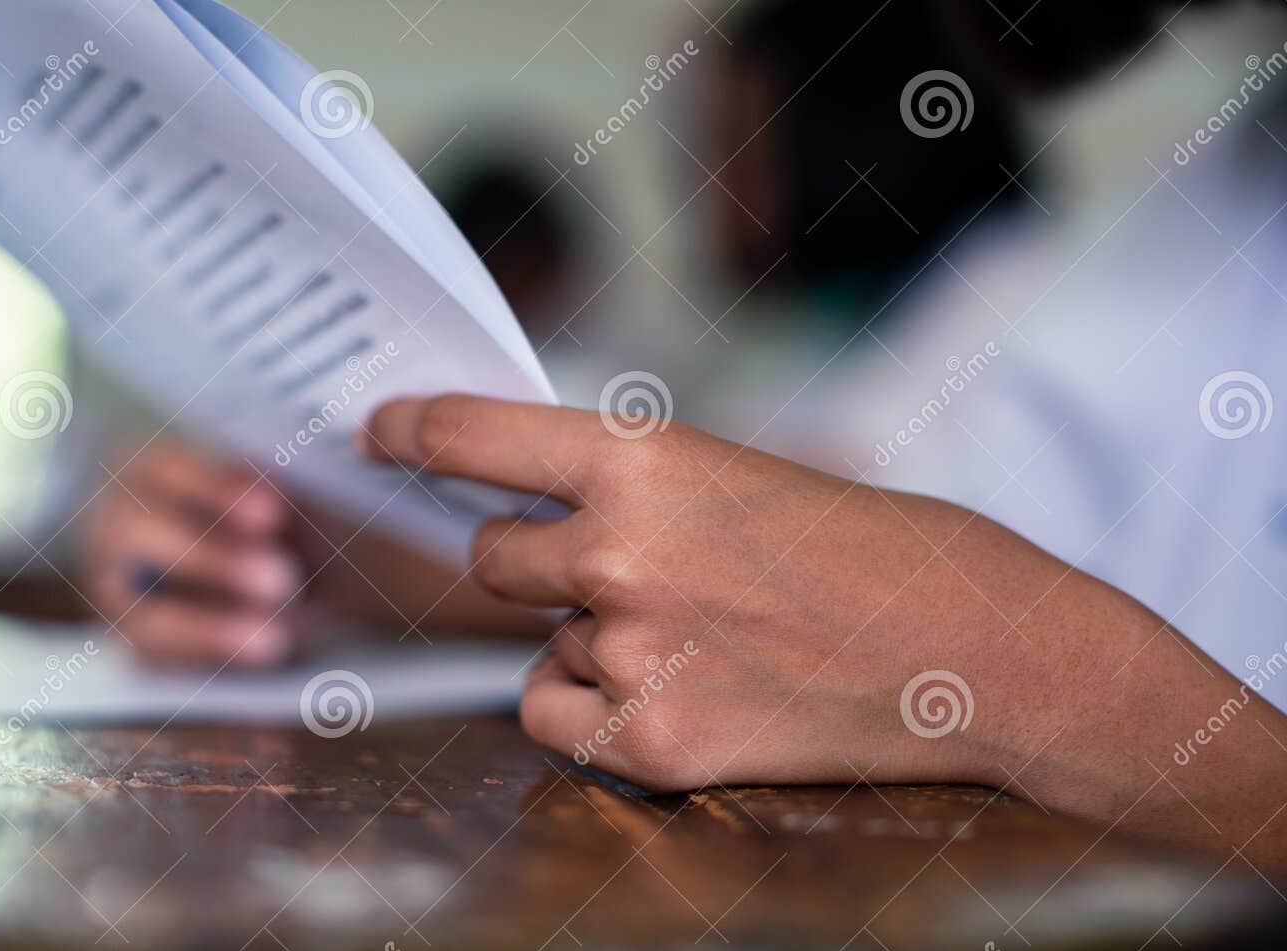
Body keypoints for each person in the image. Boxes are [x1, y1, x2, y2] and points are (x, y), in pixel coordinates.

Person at [82, 0, 1287, 873]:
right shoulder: (1196, 215)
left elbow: (874, 583)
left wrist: (1034, 686)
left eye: (731, 134)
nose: (707, 179)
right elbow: (783, 566)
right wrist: (323, 541)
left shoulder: (1046, 287)